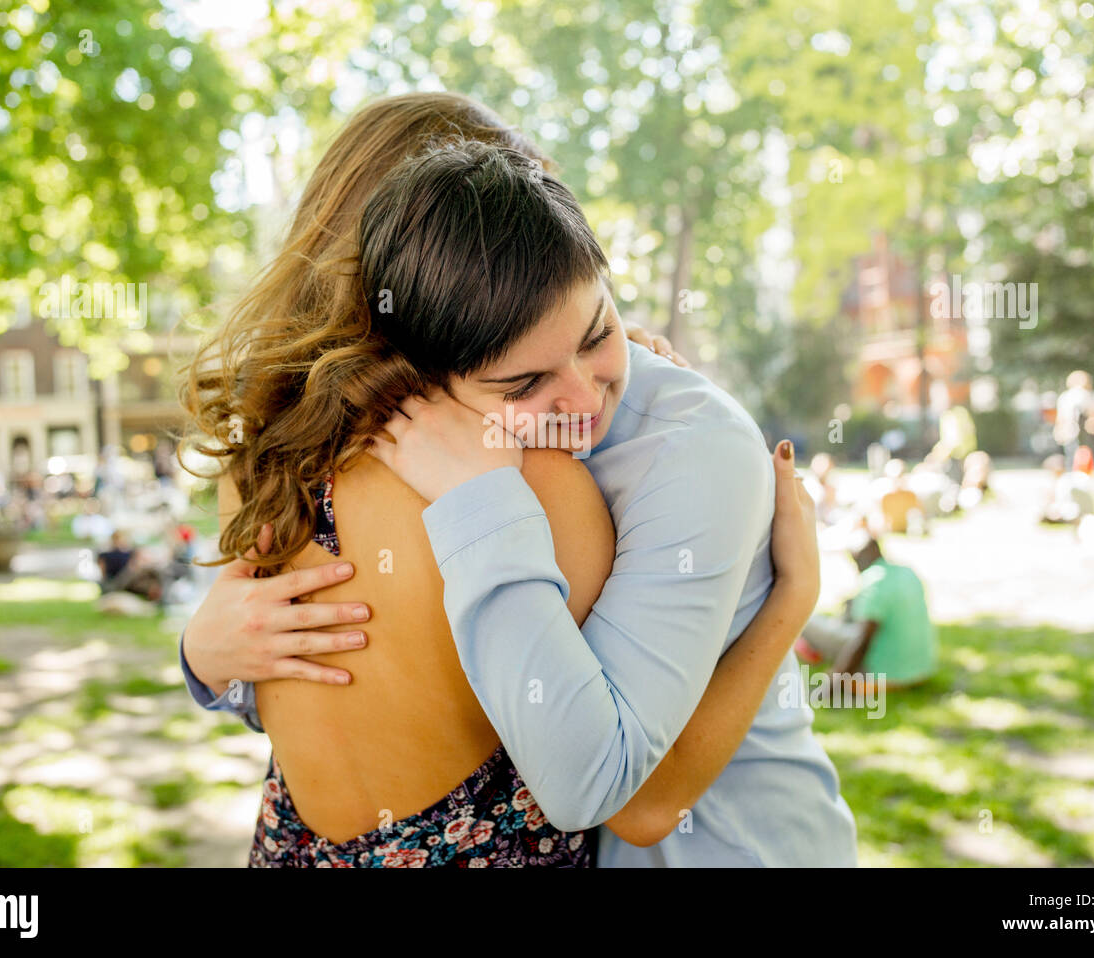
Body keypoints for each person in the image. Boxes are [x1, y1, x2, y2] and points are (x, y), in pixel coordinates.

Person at [179, 96, 854, 867]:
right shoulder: (315, 460)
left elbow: (637, 797)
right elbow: (332, 698)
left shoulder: (642, 447)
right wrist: (207, 659)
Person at [796, 535, 936, 690]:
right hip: (920, 670)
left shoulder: (873, 581)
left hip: (885, 673)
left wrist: (835, 681)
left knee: (806, 621)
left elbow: (863, 640)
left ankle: (810, 650)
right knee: (850, 606)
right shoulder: (907, 571)